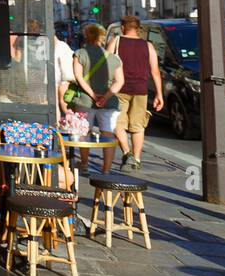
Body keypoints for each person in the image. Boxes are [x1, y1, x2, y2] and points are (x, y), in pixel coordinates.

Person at [108, 15, 163, 170]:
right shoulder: (148, 46)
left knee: (117, 124)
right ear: (138, 29)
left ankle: (127, 153)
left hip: (119, 89)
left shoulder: (116, 42)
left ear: (122, 27)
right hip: (141, 90)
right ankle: (137, 160)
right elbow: (155, 71)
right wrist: (159, 94)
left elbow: (106, 64)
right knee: (138, 126)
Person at [70, 23, 124, 174]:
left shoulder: (80, 53)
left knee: (84, 132)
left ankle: (85, 164)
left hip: (86, 101)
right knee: (108, 134)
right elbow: (119, 81)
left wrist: (93, 95)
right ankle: (106, 170)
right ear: (102, 38)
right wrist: (105, 97)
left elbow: (79, 77)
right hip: (109, 102)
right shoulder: (113, 58)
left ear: (86, 36)